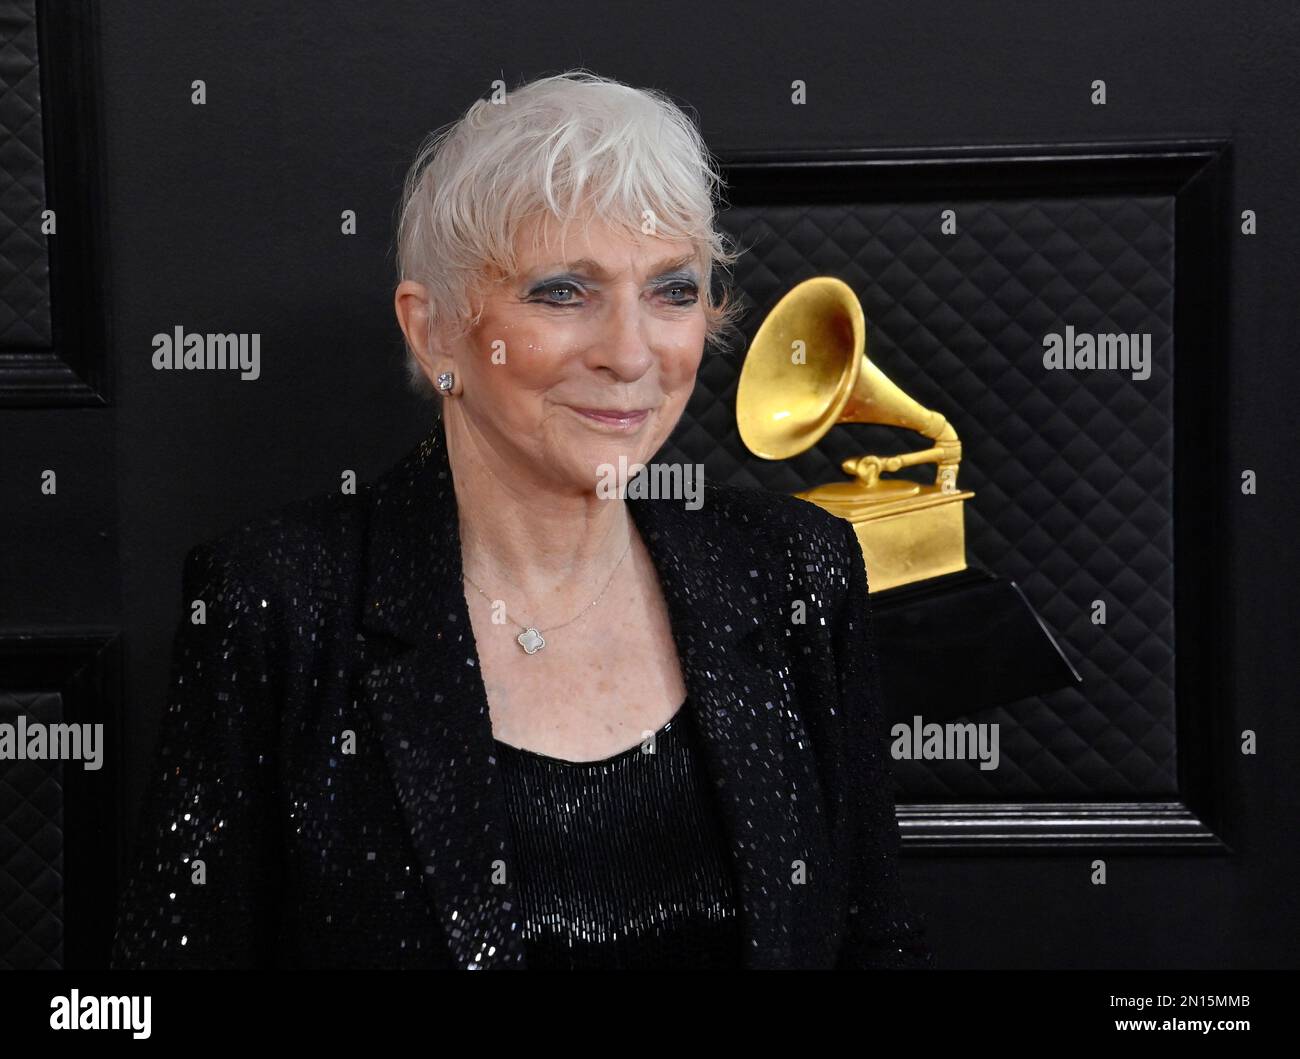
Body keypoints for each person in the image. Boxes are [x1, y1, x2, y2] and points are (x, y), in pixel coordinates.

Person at [110, 68, 934, 970]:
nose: (630, 353)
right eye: (561, 292)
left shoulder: (794, 569)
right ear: (434, 332)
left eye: (671, 290)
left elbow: (875, 942)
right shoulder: (276, 602)